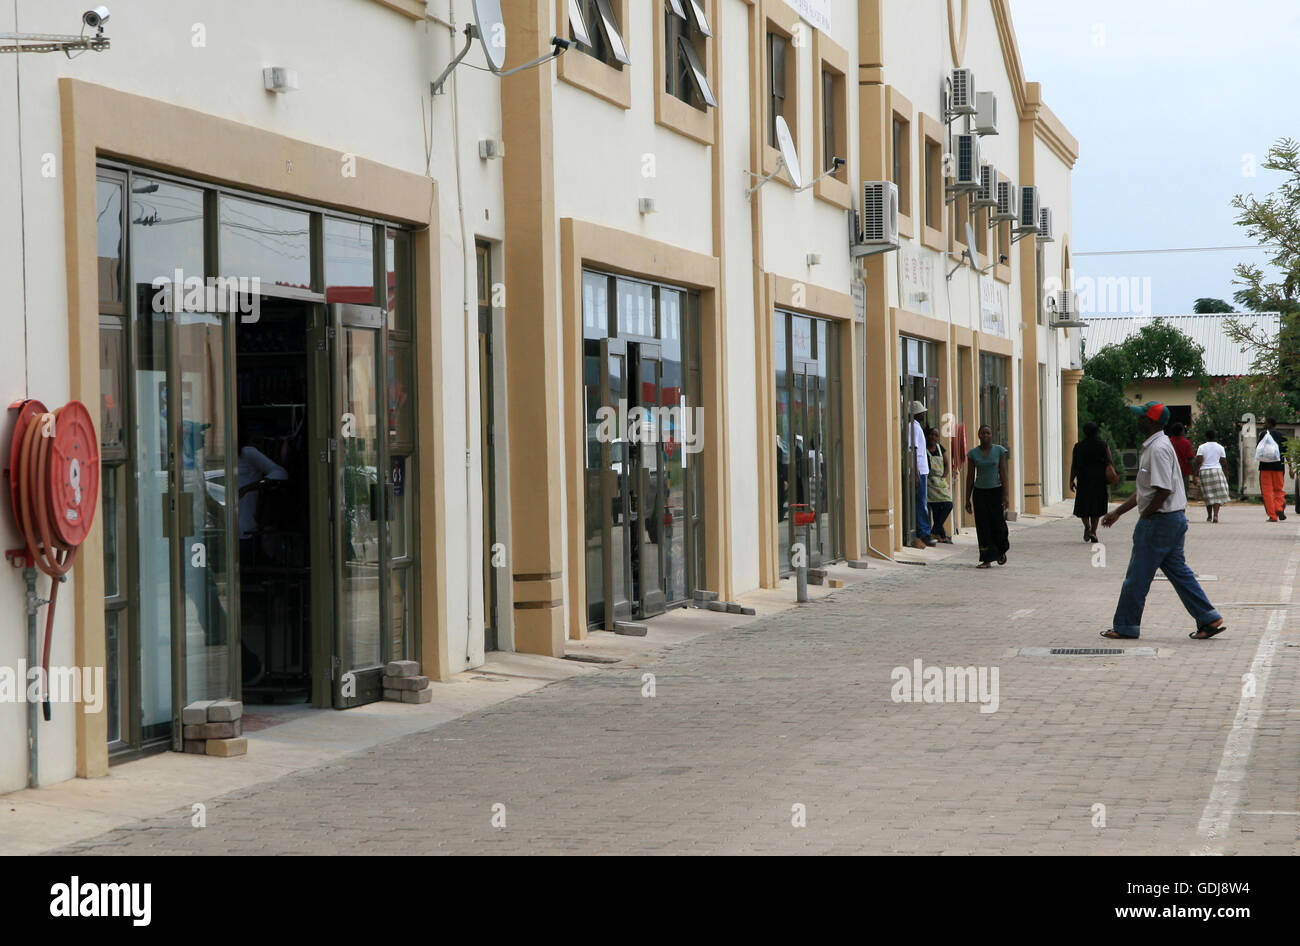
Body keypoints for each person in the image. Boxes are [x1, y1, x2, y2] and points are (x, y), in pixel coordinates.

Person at [1100, 402, 1226, 641]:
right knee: (1179, 573)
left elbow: (1163, 490)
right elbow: (1146, 490)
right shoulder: (1159, 445)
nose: (1137, 420)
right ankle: (1208, 617)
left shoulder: (1157, 449)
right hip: (1173, 519)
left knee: (1137, 576)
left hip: (1160, 521)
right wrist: (1119, 512)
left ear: (1150, 422)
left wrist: (1146, 515)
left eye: (1141, 417)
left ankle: (1126, 626)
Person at [964, 424, 1010, 568]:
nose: (985, 436)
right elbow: (970, 476)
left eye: (988, 433)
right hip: (980, 493)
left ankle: (1001, 550)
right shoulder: (973, 454)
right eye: (982, 433)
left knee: (999, 524)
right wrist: (967, 498)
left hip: (996, 492)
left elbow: (1003, 474)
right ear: (978, 435)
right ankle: (987, 559)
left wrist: (1006, 495)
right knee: (983, 526)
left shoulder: (999, 451)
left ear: (992, 435)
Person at [1070, 421, 1112, 543]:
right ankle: (1093, 531)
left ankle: (1087, 526)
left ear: (1084, 432)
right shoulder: (1102, 445)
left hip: (1083, 479)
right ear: (1097, 432)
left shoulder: (1078, 446)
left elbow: (1074, 465)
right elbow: (1109, 460)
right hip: (1099, 480)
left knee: (1083, 505)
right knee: (1097, 507)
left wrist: (1071, 480)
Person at [906, 400, 935, 549]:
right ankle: (924, 533)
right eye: (922, 412)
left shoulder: (917, 427)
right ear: (918, 414)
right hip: (919, 471)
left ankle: (924, 531)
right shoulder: (914, 428)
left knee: (922, 503)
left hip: (922, 470)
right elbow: (914, 450)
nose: (924, 414)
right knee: (921, 504)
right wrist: (916, 474)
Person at [1191, 429, 1229, 523]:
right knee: (1217, 495)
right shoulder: (1220, 447)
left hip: (1205, 472)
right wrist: (1226, 474)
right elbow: (1224, 462)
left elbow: (1198, 461)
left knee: (1207, 494)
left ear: (1206, 437)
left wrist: (1195, 475)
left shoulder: (1201, 447)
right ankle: (1216, 515)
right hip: (1217, 471)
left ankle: (1209, 516)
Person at [1257, 417, 1289, 522]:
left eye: (1265, 422)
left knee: (1267, 492)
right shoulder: (1282, 436)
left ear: (1269, 424)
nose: (1263, 424)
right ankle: (1279, 508)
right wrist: (1291, 468)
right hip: (1279, 468)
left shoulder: (1263, 434)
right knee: (1278, 490)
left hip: (1265, 468)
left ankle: (1273, 516)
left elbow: (1259, 449)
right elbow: (1286, 453)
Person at [925, 426, 954, 543]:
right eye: (932, 434)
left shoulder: (940, 448)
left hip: (940, 482)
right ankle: (941, 534)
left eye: (936, 435)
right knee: (936, 509)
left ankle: (935, 531)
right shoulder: (925, 449)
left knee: (948, 504)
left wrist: (944, 475)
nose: (933, 437)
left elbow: (947, 464)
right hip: (930, 483)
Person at [1168, 422, 1195, 496]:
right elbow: (1190, 459)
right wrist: (1194, 474)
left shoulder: (1168, 442)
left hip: (1170, 472)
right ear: (1181, 431)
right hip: (1184, 472)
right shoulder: (1186, 443)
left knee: (1171, 493)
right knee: (1183, 493)